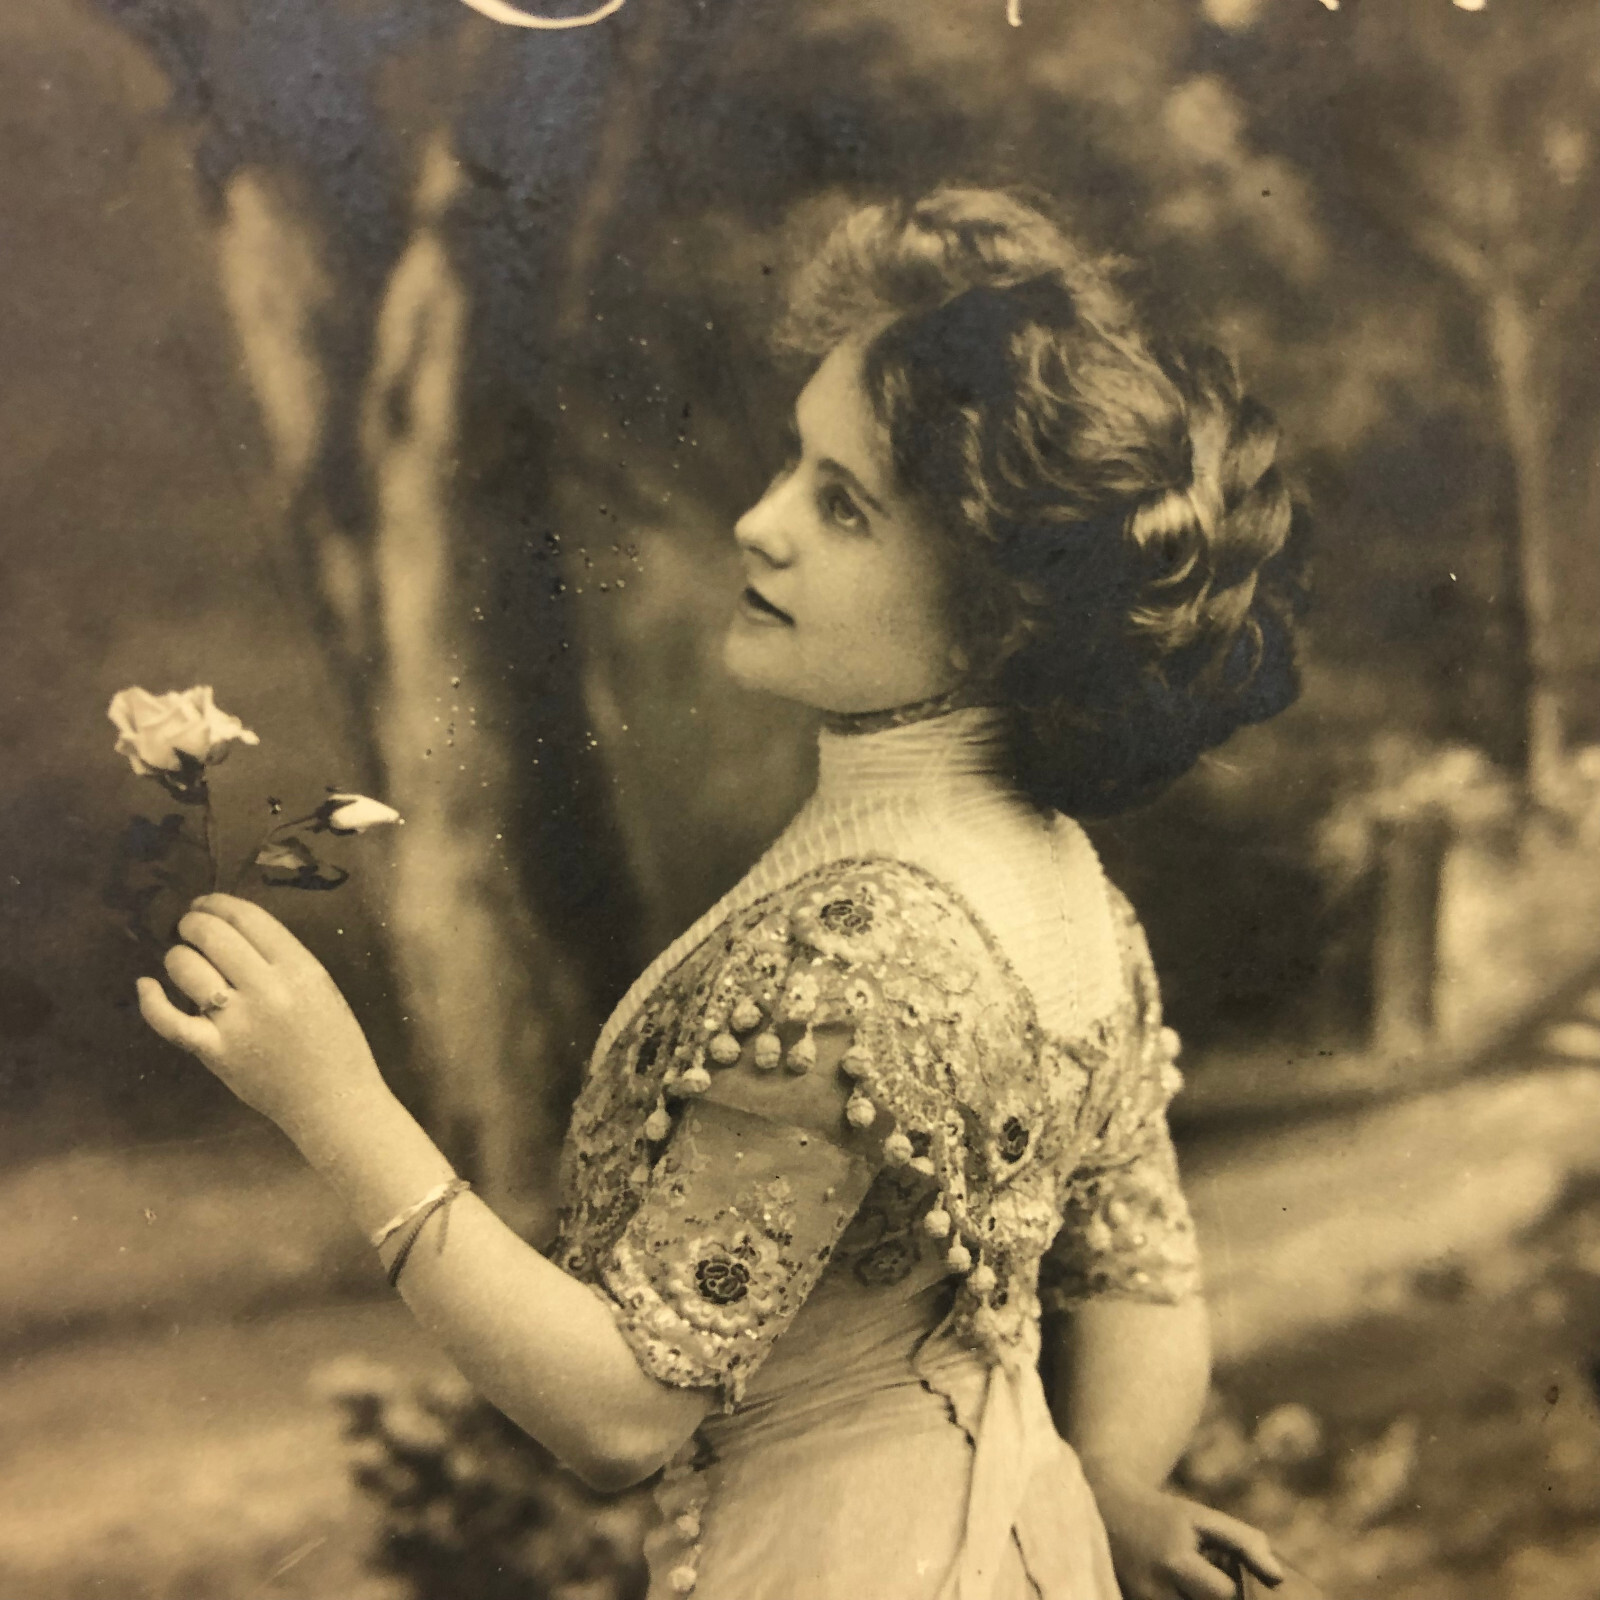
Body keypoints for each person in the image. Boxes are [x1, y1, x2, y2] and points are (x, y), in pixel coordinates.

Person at [138, 188, 1307, 1600]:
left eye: (842, 505)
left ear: (1000, 606)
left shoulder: (862, 952)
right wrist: (1113, 1484)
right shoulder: (1067, 890)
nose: (758, 526)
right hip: (1022, 1548)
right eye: (791, 466)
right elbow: (1143, 1275)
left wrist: (335, 1101)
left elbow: (623, 1411)